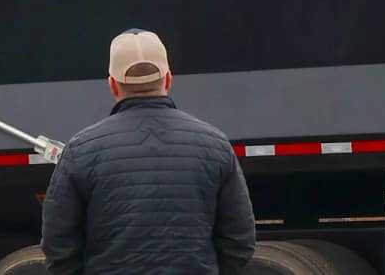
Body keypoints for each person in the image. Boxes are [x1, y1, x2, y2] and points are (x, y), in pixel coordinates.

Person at [41, 29, 255, 275]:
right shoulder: (215, 145)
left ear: (112, 85)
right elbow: (240, 240)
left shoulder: (80, 150)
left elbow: (58, 243)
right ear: (168, 79)